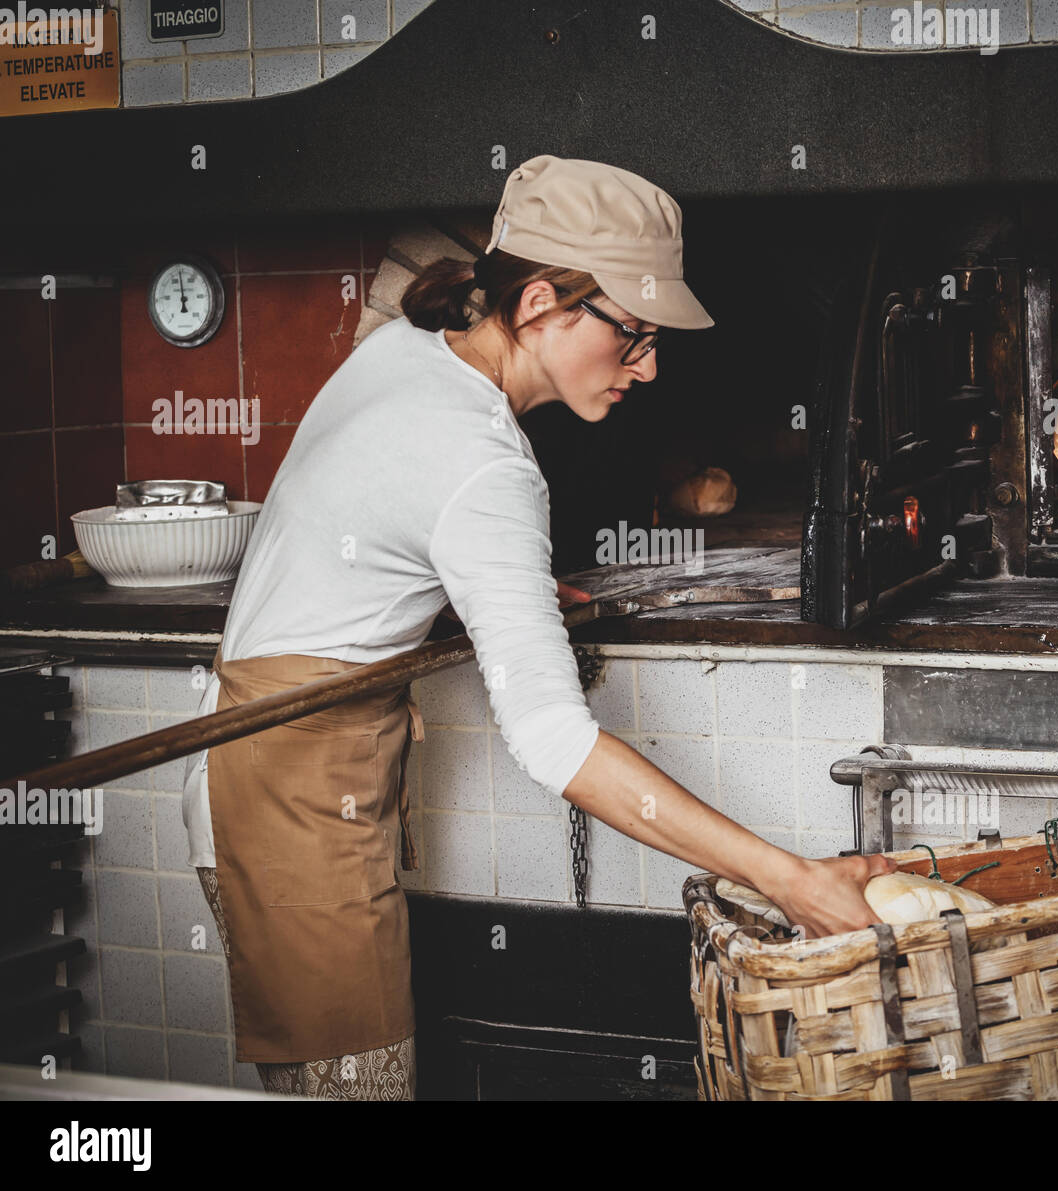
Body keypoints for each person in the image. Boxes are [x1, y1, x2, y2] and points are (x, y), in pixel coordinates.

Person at [182, 155, 895, 1102]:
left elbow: (361, 539)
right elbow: (555, 742)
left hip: (261, 761)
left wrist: (486, 587)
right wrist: (789, 878)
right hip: (290, 801)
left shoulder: (405, 351)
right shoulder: (489, 465)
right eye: (633, 333)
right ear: (539, 303)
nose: (650, 365)